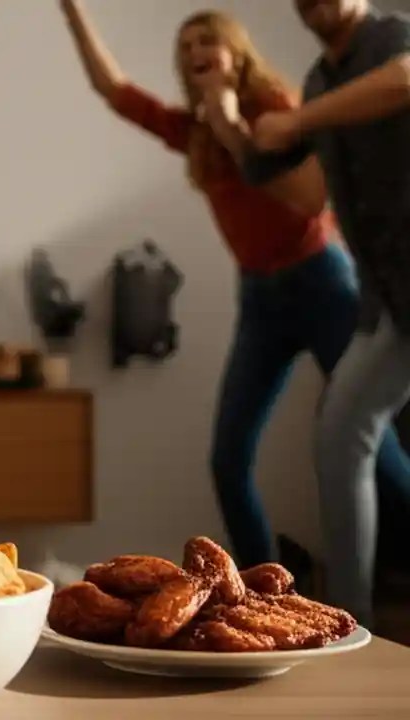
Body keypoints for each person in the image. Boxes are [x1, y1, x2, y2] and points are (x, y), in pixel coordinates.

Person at [60, 0, 410, 589]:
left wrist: (234, 124)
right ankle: (257, 591)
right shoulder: (193, 131)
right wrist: (72, 12)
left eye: (208, 43)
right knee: (229, 460)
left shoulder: (278, 106)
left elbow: (307, 199)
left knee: (368, 448)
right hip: (261, 300)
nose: (196, 54)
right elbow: (113, 88)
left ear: (236, 53)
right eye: (187, 48)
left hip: (321, 281)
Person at [248, 0, 410, 627]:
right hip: (388, 299)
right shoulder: (319, 79)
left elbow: (403, 78)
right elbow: (305, 189)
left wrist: (297, 122)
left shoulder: (393, 36)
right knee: (341, 435)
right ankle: (349, 620)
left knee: (344, 435)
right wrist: (234, 124)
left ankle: (347, 619)